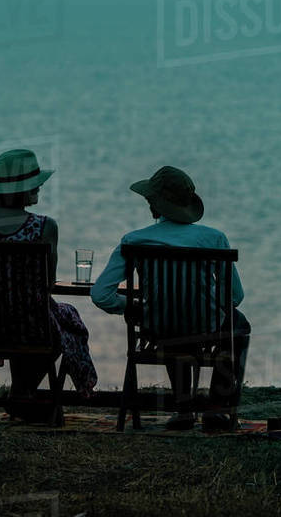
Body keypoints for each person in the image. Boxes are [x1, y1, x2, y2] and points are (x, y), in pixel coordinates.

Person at [91, 165, 250, 431]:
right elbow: (235, 296)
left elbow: (100, 295)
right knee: (238, 325)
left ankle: (183, 408)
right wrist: (206, 304)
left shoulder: (135, 240)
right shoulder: (213, 238)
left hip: (158, 328)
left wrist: (134, 307)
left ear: (154, 205)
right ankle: (216, 408)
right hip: (205, 327)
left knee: (171, 327)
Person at [0, 148, 97, 421]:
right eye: (36, 184)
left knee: (36, 317)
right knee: (65, 321)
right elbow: (48, 282)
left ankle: (23, 393)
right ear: (25, 190)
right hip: (31, 329)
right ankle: (23, 392)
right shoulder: (44, 227)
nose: (40, 188)